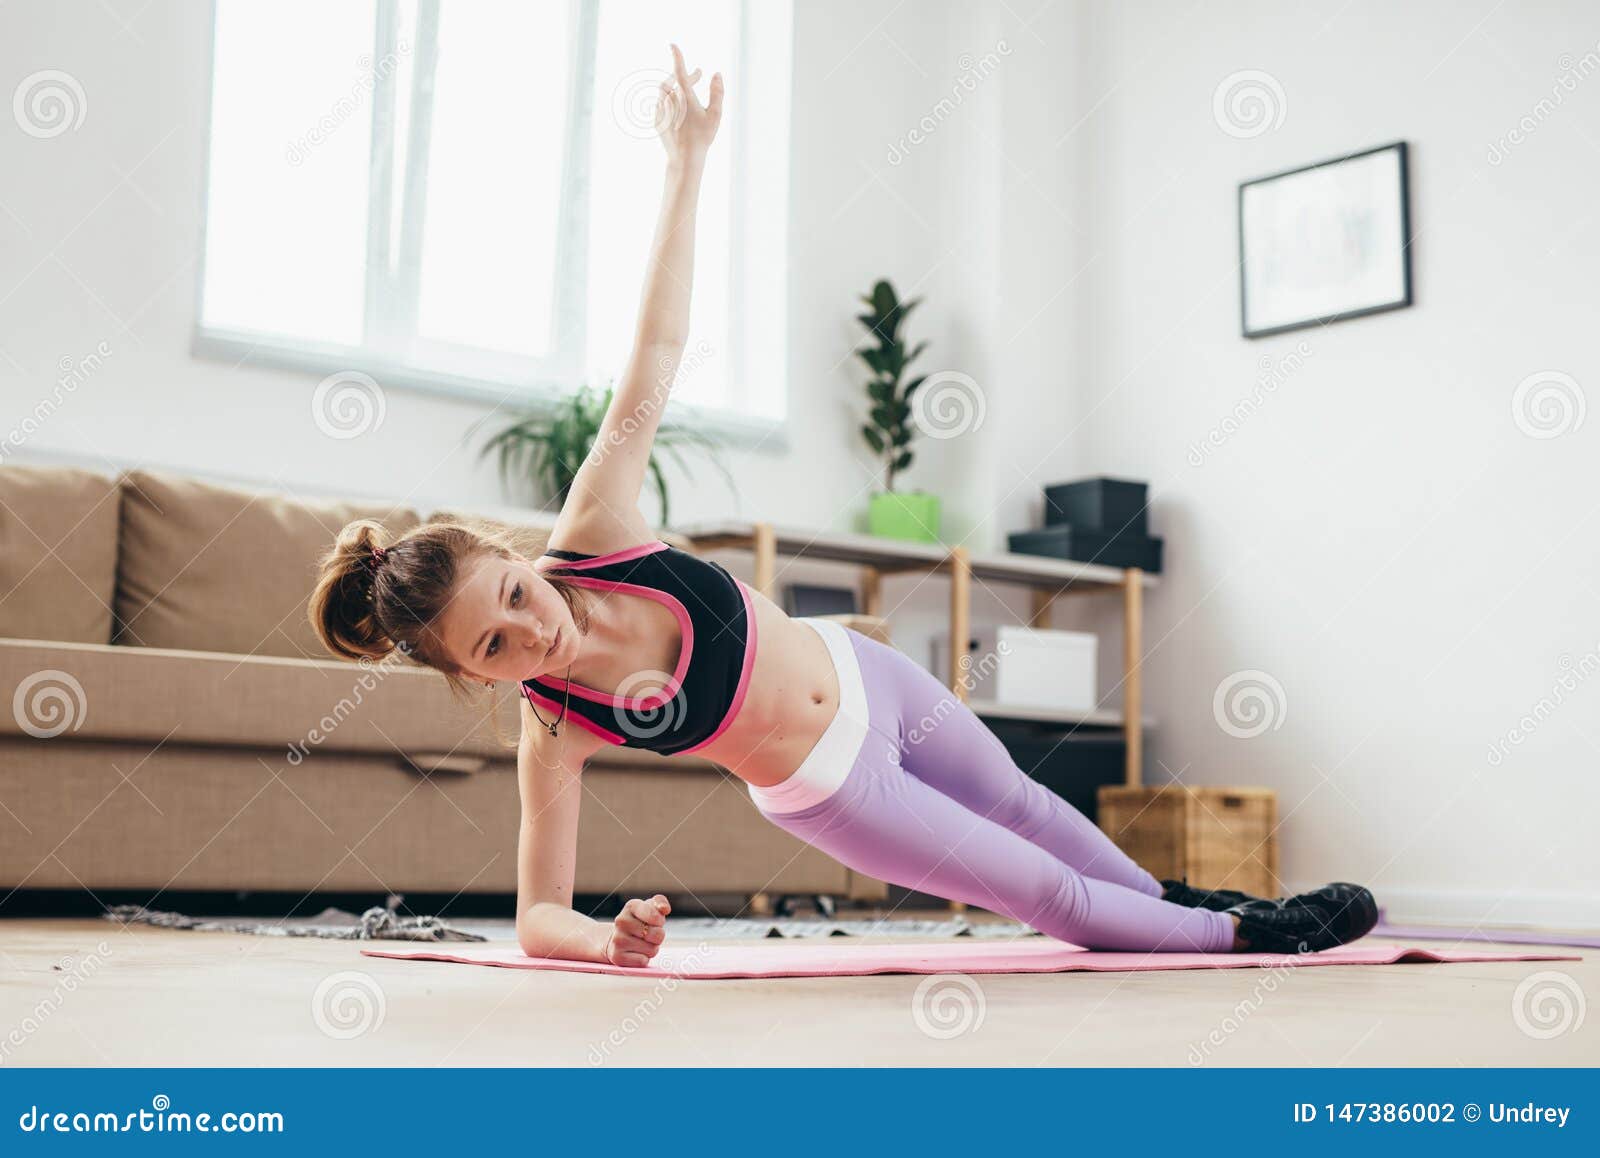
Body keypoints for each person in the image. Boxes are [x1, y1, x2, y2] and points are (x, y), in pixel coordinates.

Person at [309, 45, 1377, 968]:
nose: (527, 630)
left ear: (512, 553)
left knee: (1036, 811)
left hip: (873, 678)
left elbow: (656, 352)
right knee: (1041, 897)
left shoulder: (594, 533)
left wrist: (687, 166)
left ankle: (1188, 908)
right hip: (833, 789)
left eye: (510, 594)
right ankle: (1257, 937)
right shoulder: (556, 726)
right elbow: (538, 914)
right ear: (472, 677)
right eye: (493, 647)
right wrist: (605, 939)